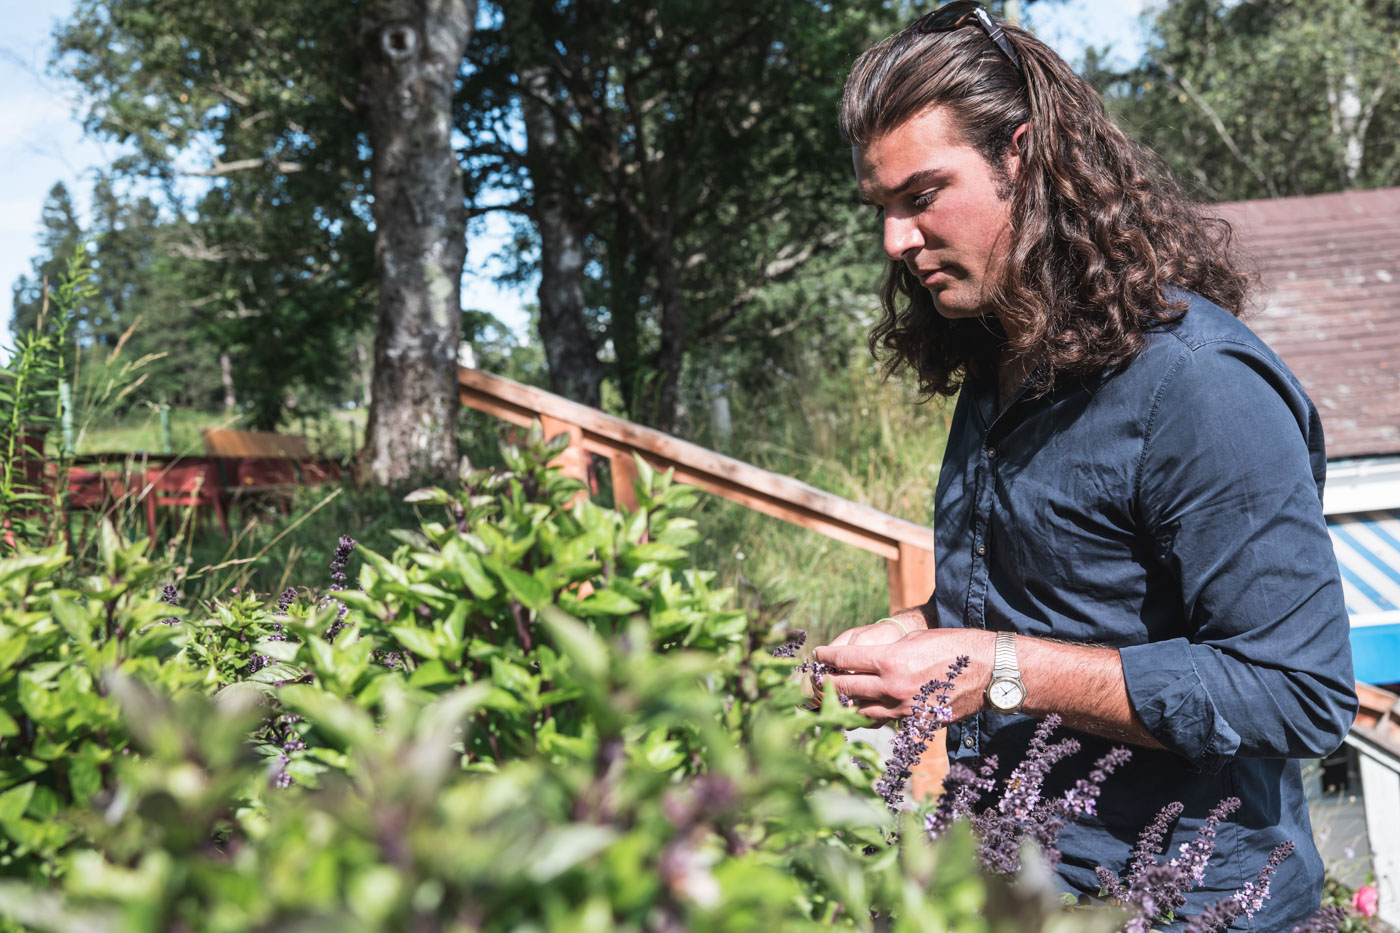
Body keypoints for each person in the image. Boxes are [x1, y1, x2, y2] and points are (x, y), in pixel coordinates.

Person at [813, 3, 1358, 928]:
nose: (896, 241)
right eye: (883, 209)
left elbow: (1299, 690)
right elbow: (1055, 600)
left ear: (1022, 157)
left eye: (923, 195)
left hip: (1187, 905)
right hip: (1016, 889)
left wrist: (1001, 667)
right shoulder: (998, 369)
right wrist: (913, 633)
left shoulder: (1199, 385)